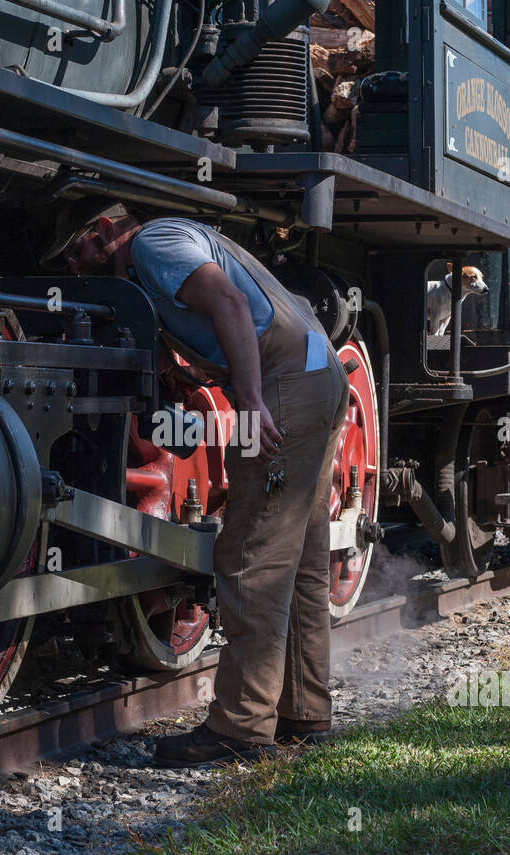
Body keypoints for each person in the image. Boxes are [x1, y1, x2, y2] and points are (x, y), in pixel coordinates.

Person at [42, 199, 350, 766]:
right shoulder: (183, 235)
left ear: (106, 228)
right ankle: (306, 711)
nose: (76, 267)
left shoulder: (154, 244)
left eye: (77, 250)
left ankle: (240, 728)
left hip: (283, 387)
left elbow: (230, 302)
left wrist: (252, 398)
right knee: (302, 560)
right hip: (318, 373)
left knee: (252, 557)